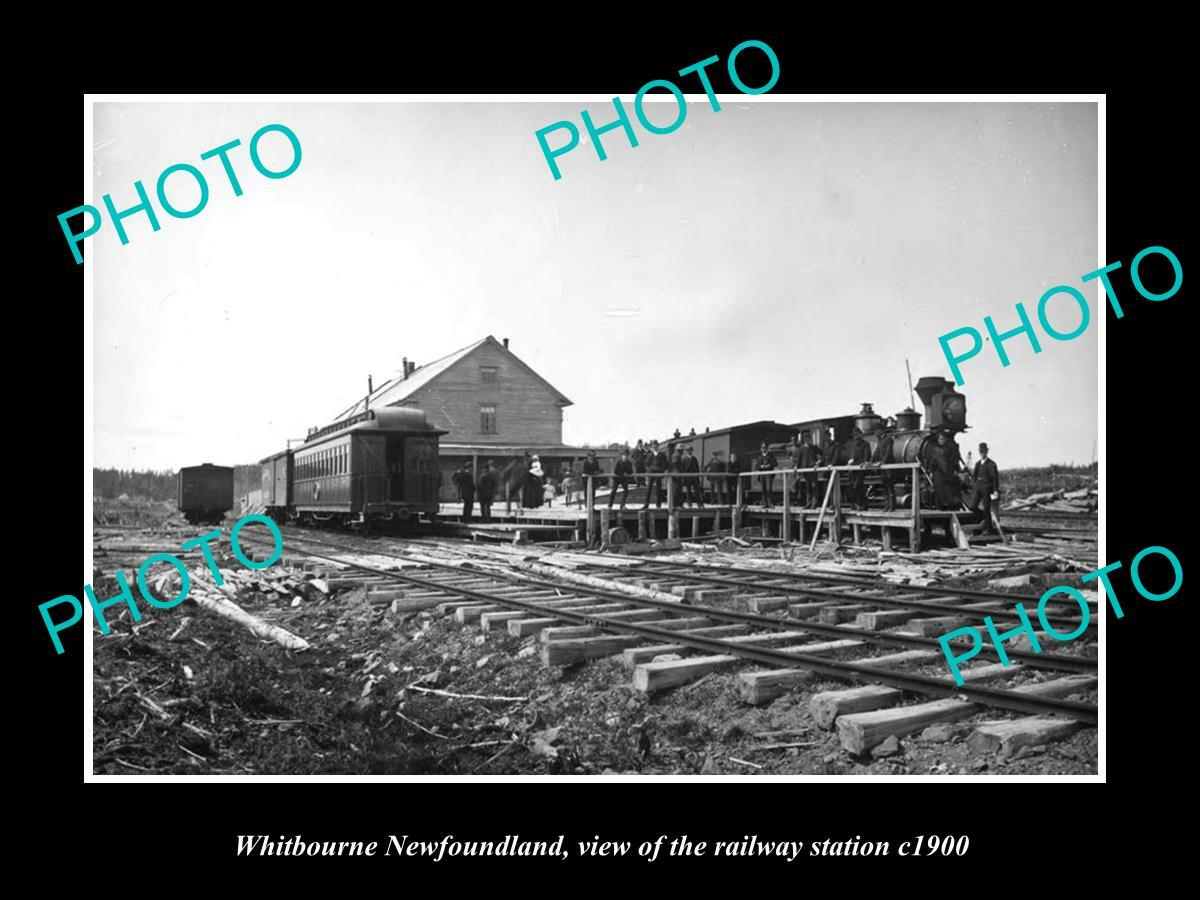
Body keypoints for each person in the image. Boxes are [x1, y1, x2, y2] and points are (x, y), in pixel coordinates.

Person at [967, 442, 1000, 532]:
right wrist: (975, 485)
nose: (982, 454)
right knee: (972, 506)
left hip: (987, 488)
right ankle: (981, 518)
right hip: (978, 487)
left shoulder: (991, 464)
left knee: (986, 508)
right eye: (981, 452)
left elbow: (995, 478)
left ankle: (989, 529)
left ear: (987, 452)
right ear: (979, 452)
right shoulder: (977, 464)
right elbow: (974, 476)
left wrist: (995, 490)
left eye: (984, 452)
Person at [929, 432, 964, 510]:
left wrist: (956, 469)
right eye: (940, 439)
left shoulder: (949, 450)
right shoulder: (934, 450)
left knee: (948, 489)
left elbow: (953, 460)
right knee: (938, 489)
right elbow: (932, 461)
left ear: (945, 440)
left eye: (943, 439)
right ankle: (940, 506)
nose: (942, 441)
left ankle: (950, 505)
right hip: (938, 472)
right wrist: (931, 471)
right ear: (938, 440)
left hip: (948, 471)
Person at [846, 428, 872, 510]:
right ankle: (855, 503)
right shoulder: (853, 445)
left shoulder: (865, 444)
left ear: (860, 434)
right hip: (853, 469)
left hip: (860, 468)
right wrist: (850, 461)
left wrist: (863, 462)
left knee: (858, 486)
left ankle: (862, 504)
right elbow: (852, 456)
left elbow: (867, 455)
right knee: (852, 487)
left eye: (857, 434)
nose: (856, 436)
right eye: (855, 435)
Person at [795, 433, 823, 508]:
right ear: (804, 440)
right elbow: (799, 460)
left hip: (812, 469)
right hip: (805, 470)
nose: (808, 440)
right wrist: (796, 468)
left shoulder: (813, 447)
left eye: (809, 438)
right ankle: (808, 503)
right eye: (806, 439)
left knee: (814, 486)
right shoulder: (801, 449)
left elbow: (822, 454)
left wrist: (818, 462)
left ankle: (815, 503)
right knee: (808, 487)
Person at [873, 428, 896, 511]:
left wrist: (883, 462)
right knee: (885, 486)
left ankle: (892, 505)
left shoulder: (888, 439)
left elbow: (888, 452)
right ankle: (887, 505)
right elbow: (876, 453)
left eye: (876, 431)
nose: (875, 433)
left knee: (890, 486)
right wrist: (870, 462)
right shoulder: (880, 441)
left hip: (888, 466)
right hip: (882, 468)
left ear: (880, 430)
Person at [642, 440, 669, 508]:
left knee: (658, 489)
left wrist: (662, 471)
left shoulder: (662, 454)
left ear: (658, 446)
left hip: (658, 473)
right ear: (652, 446)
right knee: (649, 489)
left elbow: (666, 464)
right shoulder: (650, 455)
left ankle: (658, 504)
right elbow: (646, 464)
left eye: (656, 445)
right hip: (651, 473)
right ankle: (646, 504)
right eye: (654, 445)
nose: (655, 446)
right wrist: (649, 470)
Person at [755, 441, 778, 509]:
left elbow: (775, 463)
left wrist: (769, 465)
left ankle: (770, 503)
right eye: (762, 448)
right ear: (761, 449)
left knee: (769, 489)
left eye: (765, 447)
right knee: (763, 490)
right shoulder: (760, 457)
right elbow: (756, 466)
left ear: (767, 448)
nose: (764, 449)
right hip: (762, 475)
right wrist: (761, 466)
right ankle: (765, 504)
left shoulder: (770, 455)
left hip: (768, 475)